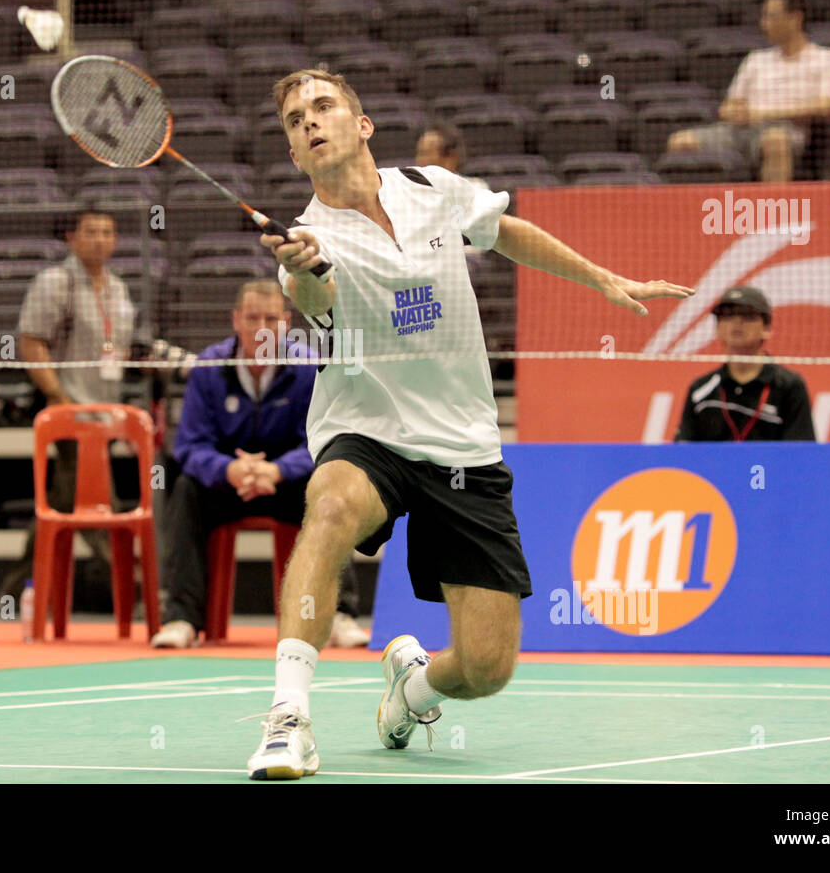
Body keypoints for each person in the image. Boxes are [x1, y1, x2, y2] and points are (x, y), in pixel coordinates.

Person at [245, 69, 694, 780]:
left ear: (362, 126)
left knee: (487, 668)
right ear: (295, 156)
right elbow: (314, 294)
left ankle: (411, 686)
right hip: (369, 429)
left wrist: (602, 277)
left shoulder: (432, 187)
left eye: (323, 106)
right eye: (295, 120)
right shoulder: (309, 237)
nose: (309, 121)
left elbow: (503, 231)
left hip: (462, 442)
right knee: (330, 504)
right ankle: (288, 716)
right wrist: (301, 271)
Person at [152, 279, 370, 649]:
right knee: (185, 487)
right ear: (236, 320)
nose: (262, 328)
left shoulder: (308, 367)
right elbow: (190, 445)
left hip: (288, 485)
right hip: (228, 486)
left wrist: (279, 469)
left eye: (271, 318)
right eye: (252, 318)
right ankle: (182, 618)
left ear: (286, 322)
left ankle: (338, 614)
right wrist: (227, 469)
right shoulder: (209, 366)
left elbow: (323, 439)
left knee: (331, 491)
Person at [0, 209, 137, 610]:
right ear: (72, 238)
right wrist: (58, 397)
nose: (100, 239)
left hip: (105, 417)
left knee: (59, 506)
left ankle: (17, 592)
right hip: (71, 418)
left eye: (108, 232)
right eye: (91, 232)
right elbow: (32, 341)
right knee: (98, 504)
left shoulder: (118, 289)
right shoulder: (56, 282)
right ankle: (132, 589)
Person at [666, 0, 830, 183]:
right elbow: (728, 106)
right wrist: (733, 112)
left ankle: (772, 210)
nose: (764, 24)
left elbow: (825, 107)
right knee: (680, 142)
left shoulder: (827, 58)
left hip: (786, 130)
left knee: (775, 141)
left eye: (771, 17)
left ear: (795, 18)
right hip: (740, 131)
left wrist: (762, 114)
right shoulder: (756, 59)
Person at [674, 285, 815, 442]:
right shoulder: (700, 390)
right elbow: (683, 452)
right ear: (717, 328)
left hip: (768, 467)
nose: (737, 321)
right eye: (727, 315)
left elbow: (801, 452)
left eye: (747, 315)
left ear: (766, 328)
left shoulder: (789, 386)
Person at [414, 123, 486, 189]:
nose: (419, 160)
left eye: (426, 154)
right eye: (419, 153)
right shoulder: (411, 191)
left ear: (450, 159)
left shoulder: (475, 188)